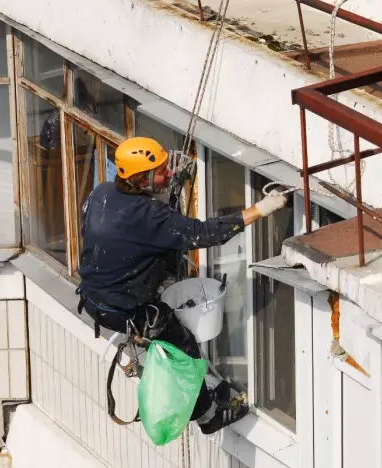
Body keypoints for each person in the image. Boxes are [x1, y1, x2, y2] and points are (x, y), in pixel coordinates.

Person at [77, 137, 288, 434]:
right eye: (161, 171)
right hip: (123, 309)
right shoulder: (150, 216)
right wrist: (262, 209)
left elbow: (118, 231)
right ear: (141, 178)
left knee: (165, 327)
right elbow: (205, 233)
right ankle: (209, 416)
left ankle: (152, 351)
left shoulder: (101, 194)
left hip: (93, 297)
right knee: (183, 349)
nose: (168, 174)